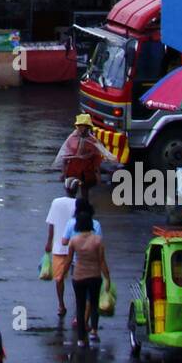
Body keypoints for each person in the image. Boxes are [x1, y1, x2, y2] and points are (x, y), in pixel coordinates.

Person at [68, 204, 110, 347]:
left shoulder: (74, 241)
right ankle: (94, 331)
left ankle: (80, 338)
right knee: (93, 305)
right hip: (94, 276)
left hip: (78, 277)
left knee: (80, 307)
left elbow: (69, 260)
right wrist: (107, 278)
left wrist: (62, 274)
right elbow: (102, 261)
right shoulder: (98, 240)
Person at [45, 178, 80, 317]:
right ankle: (79, 305)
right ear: (76, 190)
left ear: (65, 189)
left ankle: (61, 305)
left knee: (59, 278)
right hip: (77, 248)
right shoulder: (80, 204)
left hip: (59, 247)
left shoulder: (56, 202)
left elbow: (51, 225)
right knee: (77, 279)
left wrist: (48, 242)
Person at [53, 113, 104, 189]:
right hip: (72, 171)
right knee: (71, 191)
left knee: (84, 192)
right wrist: (63, 173)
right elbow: (65, 156)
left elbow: (96, 160)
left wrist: (98, 177)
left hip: (87, 173)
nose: (79, 128)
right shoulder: (72, 138)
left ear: (87, 127)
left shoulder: (93, 141)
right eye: (79, 126)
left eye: (82, 126)